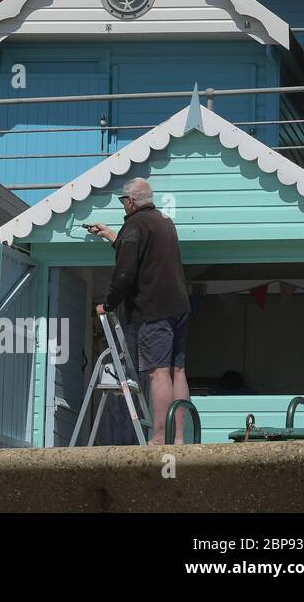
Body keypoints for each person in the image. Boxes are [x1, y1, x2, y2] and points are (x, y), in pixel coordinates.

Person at [86, 177, 192, 444]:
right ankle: (178, 438)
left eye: (123, 201)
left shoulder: (134, 225)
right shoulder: (164, 222)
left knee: (158, 372)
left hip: (153, 310)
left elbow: (124, 273)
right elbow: (142, 253)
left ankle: (158, 437)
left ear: (130, 201)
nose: (123, 207)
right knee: (177, 371)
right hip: (178, 306)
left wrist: (108, 304)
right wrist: (111, 235)